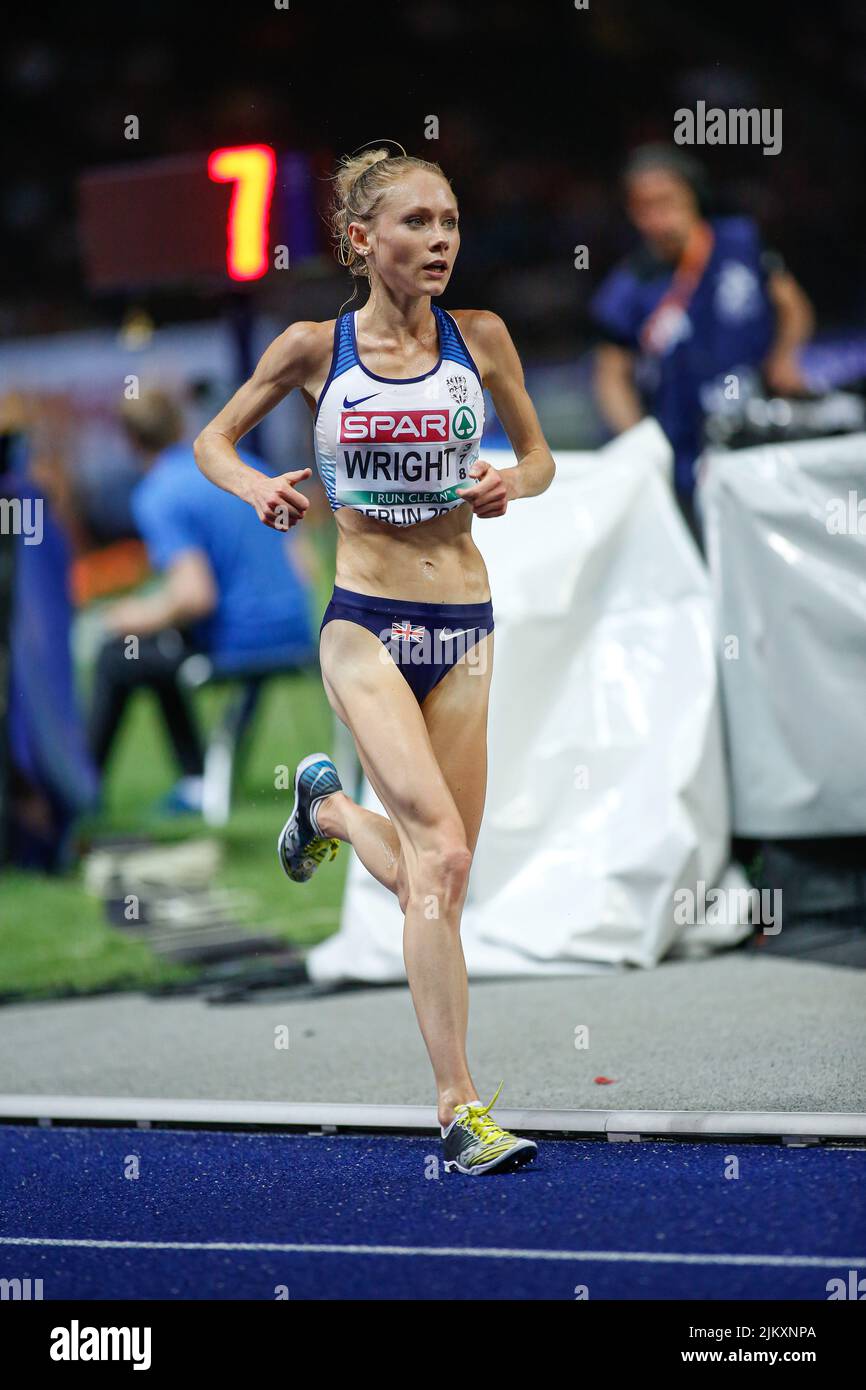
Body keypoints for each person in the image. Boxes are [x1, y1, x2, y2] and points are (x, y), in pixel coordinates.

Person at [194, 145, 556, 1175]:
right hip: (362, 623)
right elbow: (212, 441)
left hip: (464, 626)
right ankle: (458, 1108)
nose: (438, 241)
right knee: (436, 856)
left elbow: (538, 456)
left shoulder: (478, 338)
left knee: (441, 877)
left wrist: (508, 486)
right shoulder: (315, 347)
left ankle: (331, 813)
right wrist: (254, 486)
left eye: (447, 221)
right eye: (414, 224)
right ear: (362, 239)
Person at [90, 390, 314, 812]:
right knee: (153, 652)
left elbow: (195, 596)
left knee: (118, 654)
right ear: (179, 425)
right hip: (296, 628)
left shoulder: (158, 494)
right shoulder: (250, 467)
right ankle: (196, 778)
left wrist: (131, 616)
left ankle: (84, 789)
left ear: (131, 441)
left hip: (241, 640)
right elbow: (304, 566)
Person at [591, 144, 815, 547]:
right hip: (685, 455)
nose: (657, 217)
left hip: (758, 433)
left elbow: (793, 307)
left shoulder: (740, 242)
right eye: (643, 207)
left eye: (666, 201)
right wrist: (639, 440)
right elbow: (611, 374)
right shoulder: (627, 288)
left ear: (693, 196)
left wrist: (784, 358)